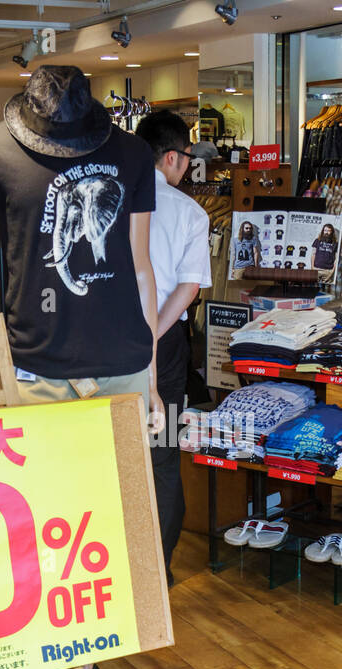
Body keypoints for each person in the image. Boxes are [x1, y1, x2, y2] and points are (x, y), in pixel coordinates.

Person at [0, 65, 164, 669]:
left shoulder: (133, 156)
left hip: (121, 375)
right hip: (35, 378)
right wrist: (0, 384)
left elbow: (140, 269)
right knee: (43, 563)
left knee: (106, 555)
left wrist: (154, 374)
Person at [134, 109, 212, 582]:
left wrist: (136, 334)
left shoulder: (114, 199)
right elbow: (188, 288)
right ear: (170, 157)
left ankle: (122, 570)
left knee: (116, 449)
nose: (188, 165)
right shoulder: (189, 212)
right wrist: (154, 334)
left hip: (113, 345)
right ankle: (155, 570)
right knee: (161, 454)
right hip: (164, 348)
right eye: (186, 156)